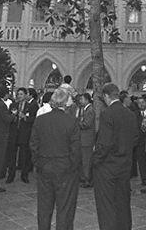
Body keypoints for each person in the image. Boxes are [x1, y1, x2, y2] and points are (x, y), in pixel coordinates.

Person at [30, 87, 81, 230]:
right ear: (65, 103)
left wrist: (38, 163)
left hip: (45, 167)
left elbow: (33, 144)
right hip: (65, 169)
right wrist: (72, 166)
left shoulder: (40, 120)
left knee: (44, 207)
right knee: (65, 208)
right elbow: (75, 149)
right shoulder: (71, 121)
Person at [93, 83, 138, 230]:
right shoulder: (130, 114)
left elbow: (104, 143)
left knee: (106, 205)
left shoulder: (107, 113)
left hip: (108, 167)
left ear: (106, 96)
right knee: (123, 202)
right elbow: (136, 138)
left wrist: (96, 160)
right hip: (125, 165)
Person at [7, 87, 38, 183]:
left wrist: (25, 118)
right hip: (14, 133)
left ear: (25, 95)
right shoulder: (13, 105)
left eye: (21, 94)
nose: (19, 96)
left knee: (24, 155)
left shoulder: (32, 106)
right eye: (18, 94)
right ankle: (11, 175)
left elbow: (34, 119)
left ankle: (24, 175)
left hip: (24, 134)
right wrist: (13, 117)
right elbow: (9, 118)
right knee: (12, 155)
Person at [77, 92, 96, 188]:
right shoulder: (84, 109)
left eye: (82, 99)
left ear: (87, 100)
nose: (80, 101)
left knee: (86, 160)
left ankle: (87, 179)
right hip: (83, 139)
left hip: (87, 140)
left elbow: (86, 124)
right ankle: (84, 177)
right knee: (83, 160)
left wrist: (76, 123)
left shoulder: (90, 110)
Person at [134, 96, 146, 185]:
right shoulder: (134, 114)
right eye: (139, 103)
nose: (141, 104)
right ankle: (144, 179)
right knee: (141, 162)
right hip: (139, 142)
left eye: (142, 102)